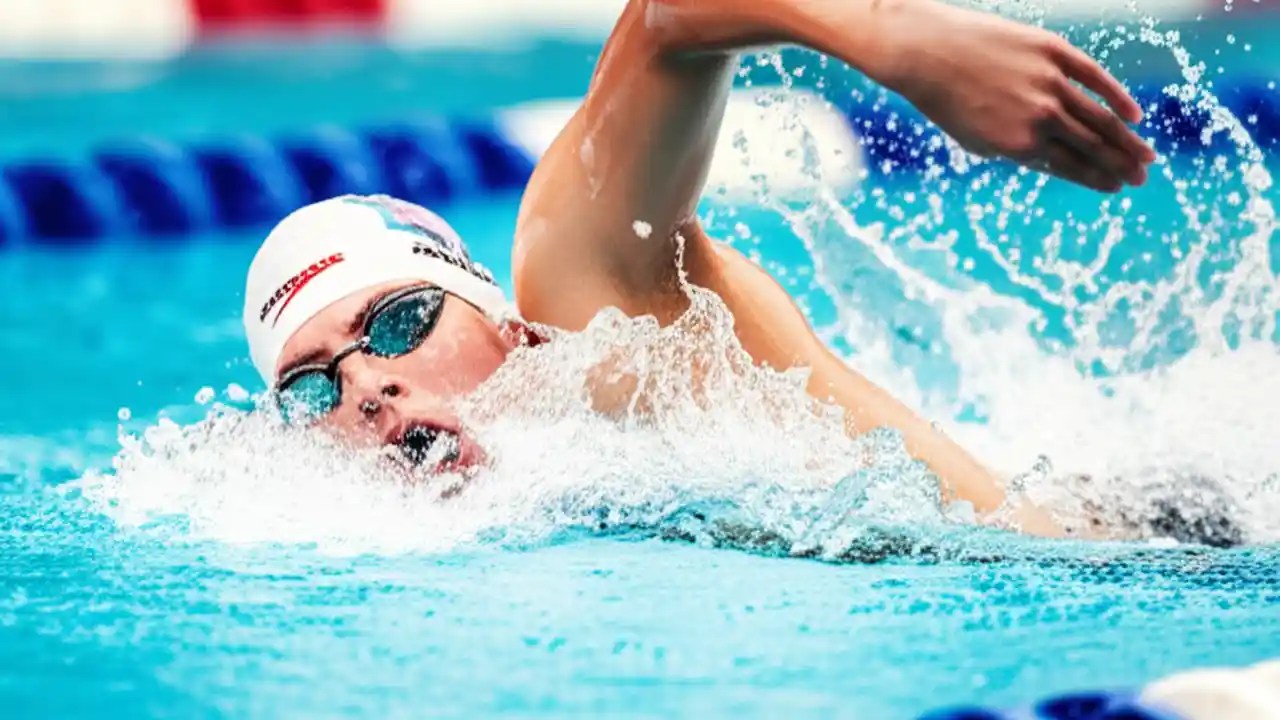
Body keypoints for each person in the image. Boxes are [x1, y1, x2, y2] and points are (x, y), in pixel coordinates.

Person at [242, 0, 1156, 536]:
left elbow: (666, 18)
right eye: (312, 390)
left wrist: (895, 41)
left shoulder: (595, 321)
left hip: (1140, 558)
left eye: (397, 322)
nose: (366, 389)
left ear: (500, 321)